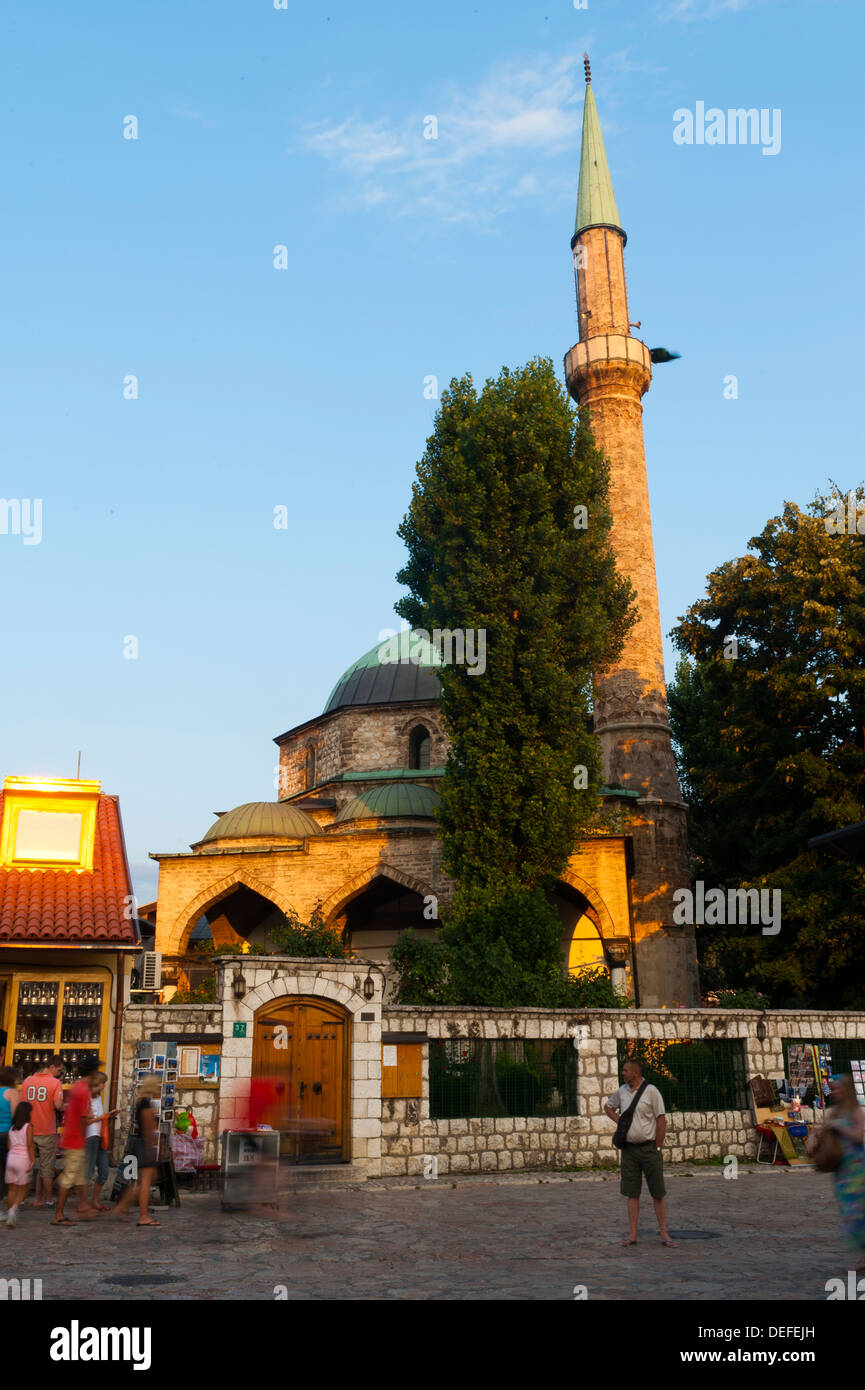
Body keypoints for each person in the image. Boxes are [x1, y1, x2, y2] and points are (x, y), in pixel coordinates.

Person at [604, 1056, 675, 1248]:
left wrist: (658, 1147)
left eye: (625, 1070)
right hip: (629, 1150)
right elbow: (608, 1107)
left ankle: (664, 1232)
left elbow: (661, 1120)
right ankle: (633, 1233)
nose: (623, 1073)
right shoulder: (622, 1091)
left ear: (635, 1072)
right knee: (631, 1193)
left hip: (649, 1148)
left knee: (657, 1192)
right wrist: (619, 1121)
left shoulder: (651, 1092)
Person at [810, 1072, 865, 1270]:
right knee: (849, 1211)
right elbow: (822, 1133)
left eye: (838, 1088)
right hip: (841, 1171)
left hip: (858, 1170)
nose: (834, 1092)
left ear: (847, 1089)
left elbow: (859, 1136)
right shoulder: (833, 1113)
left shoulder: (856, 1111)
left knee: (860, 1212)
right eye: (832, 1089)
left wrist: (838, 1127)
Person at [52, 1057, 101, 1226]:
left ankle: (83, 1205)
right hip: (75, 1140)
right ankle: (58, 1214)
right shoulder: (82, 1090)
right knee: (69, 1177)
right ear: (93, 1072)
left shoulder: (80, 1087)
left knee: (80, 1177)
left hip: (74, 1138)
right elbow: (81, 1119)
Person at [111, 1075, 162, 1227]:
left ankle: (122, 1207)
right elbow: (147, 1126)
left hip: (138, 1143)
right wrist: (151, 1143)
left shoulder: (139, 1101)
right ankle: (143, 1216)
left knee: (144, 1180)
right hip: (144, 1144)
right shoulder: (145, 1103)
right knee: (145, 1182)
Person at [21, 1055, 65, 1208]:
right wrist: (68, 1107)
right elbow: (58, 1105)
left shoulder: (27, 1081)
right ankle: (48, 1199)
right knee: (47, 1167)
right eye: (59, 1070)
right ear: (52, 1066)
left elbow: (22, 1104)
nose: (60, 1073)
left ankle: (22, 1199)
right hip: (46, 1128)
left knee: (26, 1165)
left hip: (28, 1129)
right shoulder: (55, 1083)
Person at [84, 1072, 118, 1213]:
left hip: (99, 1136)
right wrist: (101, 1117)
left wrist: (108, 1116)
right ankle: (84, 1202)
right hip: (90, 1136)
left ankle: (94, 1201)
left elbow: (98, 1117)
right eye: (103, 1083)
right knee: (89, 1171)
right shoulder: (86, 1098)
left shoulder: (97, 1097)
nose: (104, 1086)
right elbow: (85, 1121)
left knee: (104, 1170)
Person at [5, 1101, 35, 1227]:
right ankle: (13, 1210)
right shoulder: (28, 1127)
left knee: (12, 1189)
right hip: (23, 1158)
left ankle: (9, 1213)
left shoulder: (11, 1128)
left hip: (11, 1158)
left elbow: (9, 1145)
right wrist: (33, 1160)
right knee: (23, 1188)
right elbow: (30, 1145)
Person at [0, 1066, 21, 1209]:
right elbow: (16, 1116)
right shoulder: (13, 1093)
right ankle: (8, 1205)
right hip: (6, 1135)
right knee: (6, 1172)